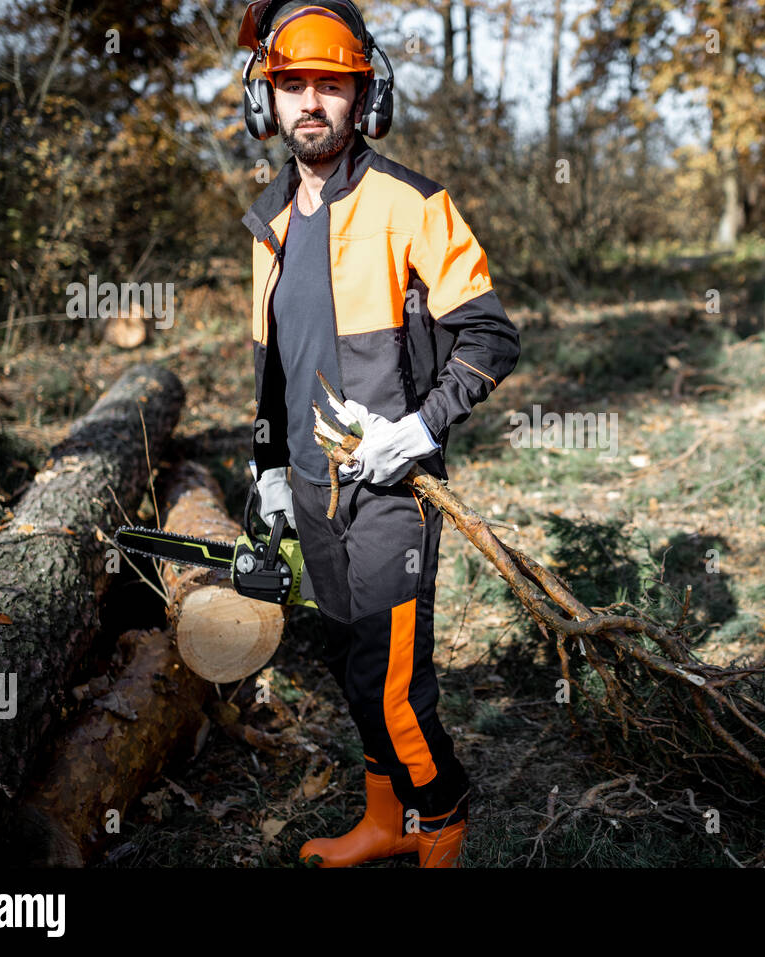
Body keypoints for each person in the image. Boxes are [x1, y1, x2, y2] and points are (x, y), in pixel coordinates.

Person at [236, 0, 520, 868]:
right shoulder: (269, 223)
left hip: (394, 492)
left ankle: (446, 821)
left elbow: (492, 337)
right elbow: (271, 363)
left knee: (391, 684)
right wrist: (270, 471)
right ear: (267, 103)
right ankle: (384, 818)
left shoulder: (411, 203)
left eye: (332, 85)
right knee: (350, 663)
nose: (311, 103)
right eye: (293, 86)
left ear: (366, 98)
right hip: (314, 492)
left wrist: (418, 429)